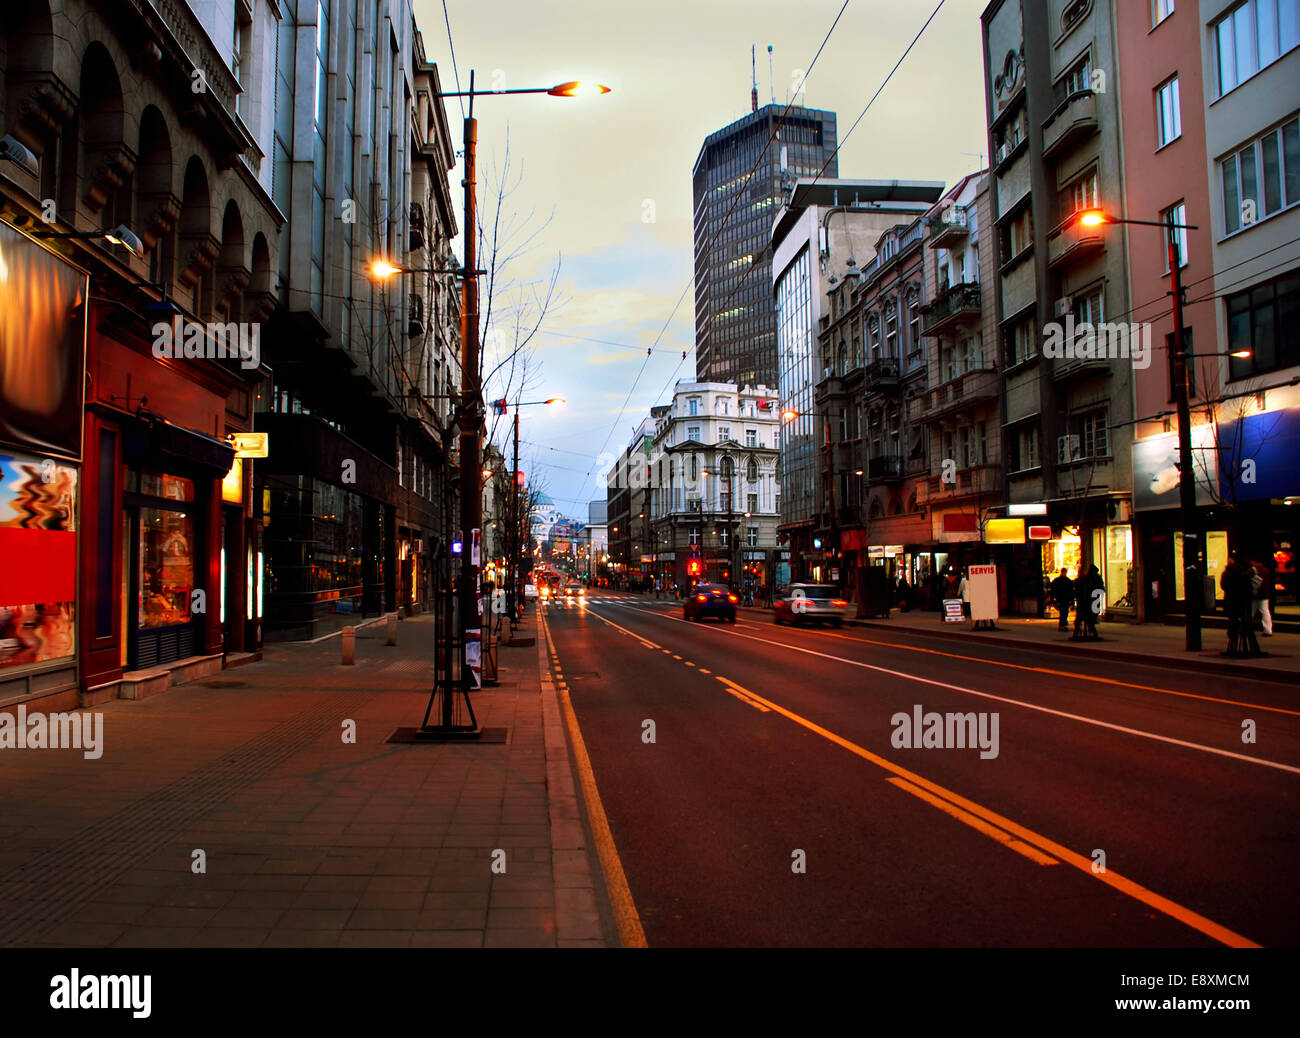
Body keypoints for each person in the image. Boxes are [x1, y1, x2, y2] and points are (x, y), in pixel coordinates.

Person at [1074, 565, 1105, 640]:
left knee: (1082, 618)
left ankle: (1077, 633)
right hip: (1092, 600)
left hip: (1085, 602)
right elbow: (1101, 589)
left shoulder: (1084, 580)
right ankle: (1093, 633)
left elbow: (1079, 592)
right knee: (1090, 618)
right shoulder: (1094, 578)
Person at [1252, 557, 1274, 636]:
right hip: (1264, 594)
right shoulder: (1266, 570)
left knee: (1251, 612)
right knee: (1265, 611)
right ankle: (1268, 630)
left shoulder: (1253, 570)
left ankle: (1246, 628)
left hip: (1255, 594)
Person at [1049, 567, 1075, 632]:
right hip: (1065, 599)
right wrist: (1072, 601)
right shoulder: (1068, 581)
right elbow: (1071, 592)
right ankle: (1062, 625)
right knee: (1064, 612)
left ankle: (1062, 625)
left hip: (1059, 598)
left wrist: (1052, 599)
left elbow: (1052, 590)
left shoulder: (1056, 580)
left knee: (1063, 612)